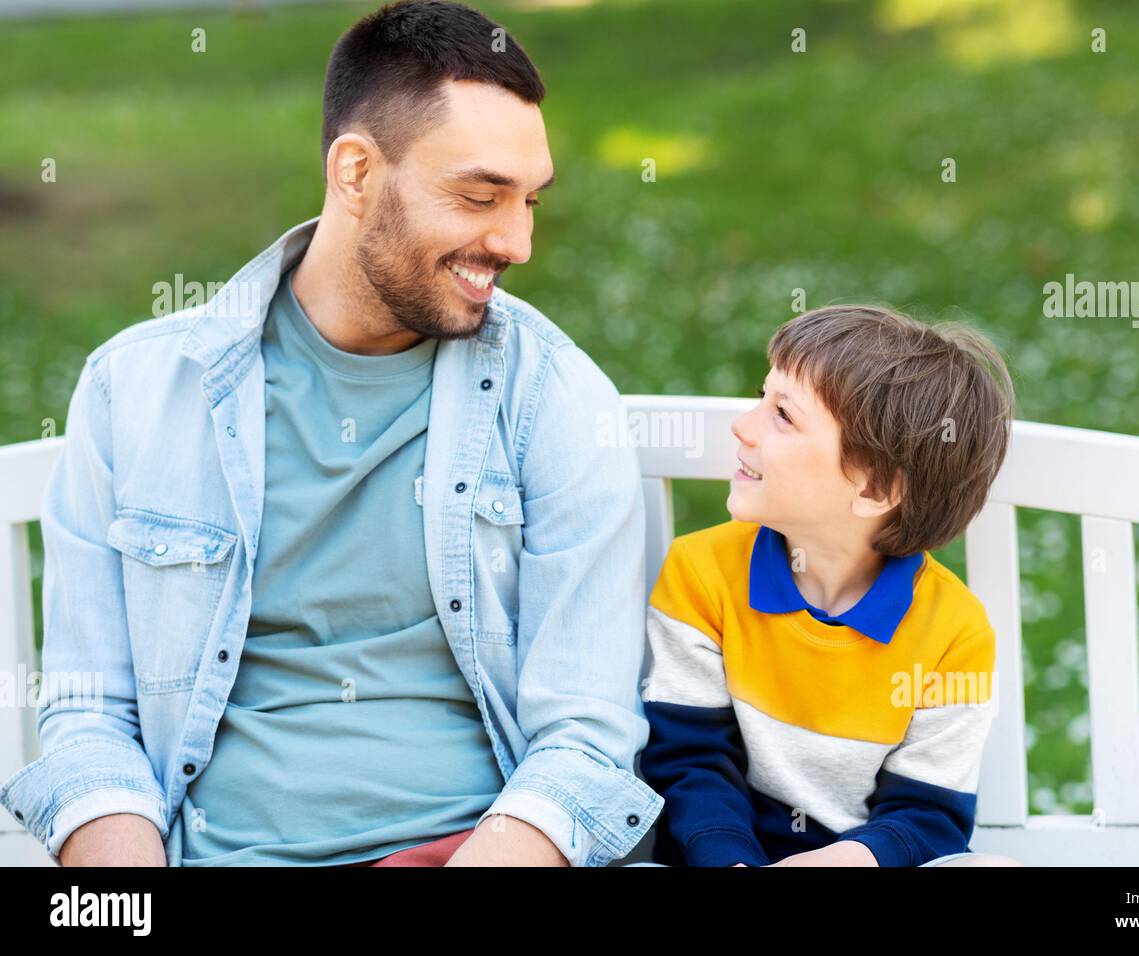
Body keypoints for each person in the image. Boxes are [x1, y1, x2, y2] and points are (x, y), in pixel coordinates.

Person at [0, 0, 661, 867]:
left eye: (530, 199)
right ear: (355, 173)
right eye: (479, 195)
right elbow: (90, 714)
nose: (518, 240)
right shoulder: (136, 391)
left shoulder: (557, 397)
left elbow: (587, 737)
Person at [637, 305, 1023, 867]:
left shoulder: (953, 633)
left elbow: (928, 815)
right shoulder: (702, 573)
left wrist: (846, 861)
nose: (743, 425)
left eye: (783, 416)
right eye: (761, 396)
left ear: (874, 489)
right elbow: (689, 762)